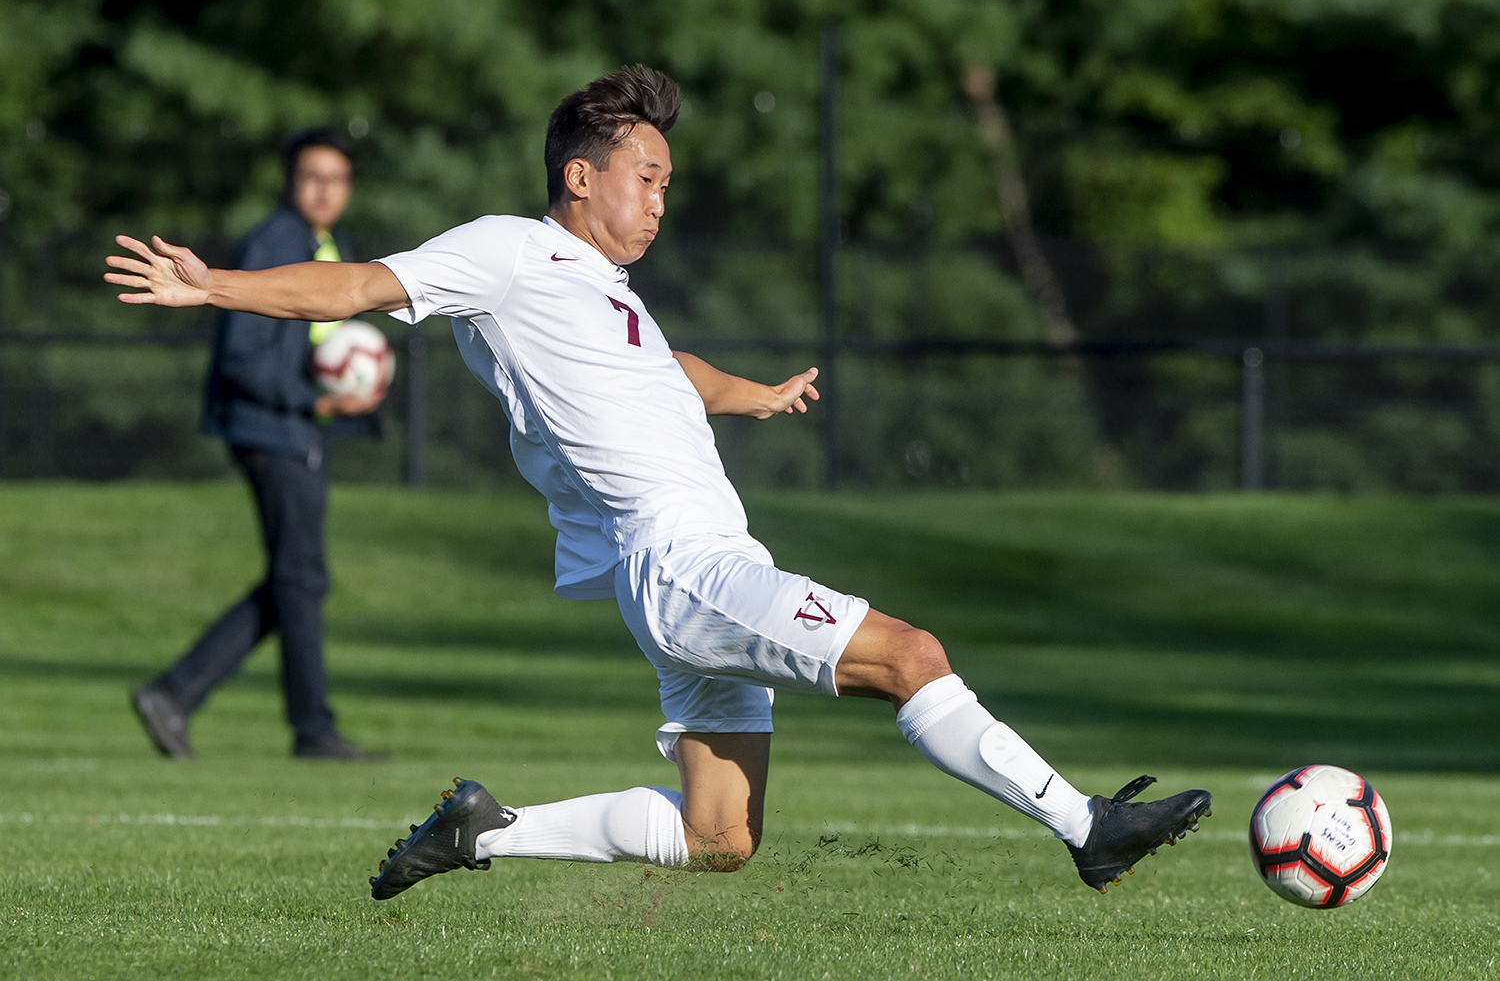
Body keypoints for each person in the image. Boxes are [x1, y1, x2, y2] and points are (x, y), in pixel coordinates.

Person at [106, 66, 1210, 893]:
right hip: (681, 561)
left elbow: (668, 373)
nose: (661, 198)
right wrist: (218, 286)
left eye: (668, 181)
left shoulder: (611, 290)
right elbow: (352, 282)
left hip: (696, 567)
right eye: (647, 175)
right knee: (913, 655)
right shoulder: (504, 252)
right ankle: (1086, 827)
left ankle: (484, 828)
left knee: (720, 837)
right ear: (580, 177)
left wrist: (756, 393)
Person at [129, 129, 385, 761]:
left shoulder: (327, 244)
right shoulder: (277, 240)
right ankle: (312, 731)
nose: (325, 189)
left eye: (337, 179)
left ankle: (175, 694)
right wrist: (318, 402)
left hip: (295, 430)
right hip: (271, 432)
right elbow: (243, 358)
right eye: (311, 177)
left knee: (296, 580)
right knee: (300, 580)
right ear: (290, 182)